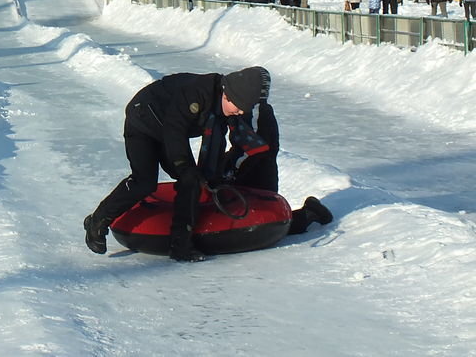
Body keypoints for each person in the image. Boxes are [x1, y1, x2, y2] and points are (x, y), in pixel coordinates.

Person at [83, 67, 333, 261]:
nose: (238, 113)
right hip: (143, 121)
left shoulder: (223, 109)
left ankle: (181, 241)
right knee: (146, 181)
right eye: (237, 108)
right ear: (227, 94)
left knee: (196, 182)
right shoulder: (197, 93)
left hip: (169, 126)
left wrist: (209, 178)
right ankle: (98, 220)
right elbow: (174, 130)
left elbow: (213, 145)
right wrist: (186, 169)